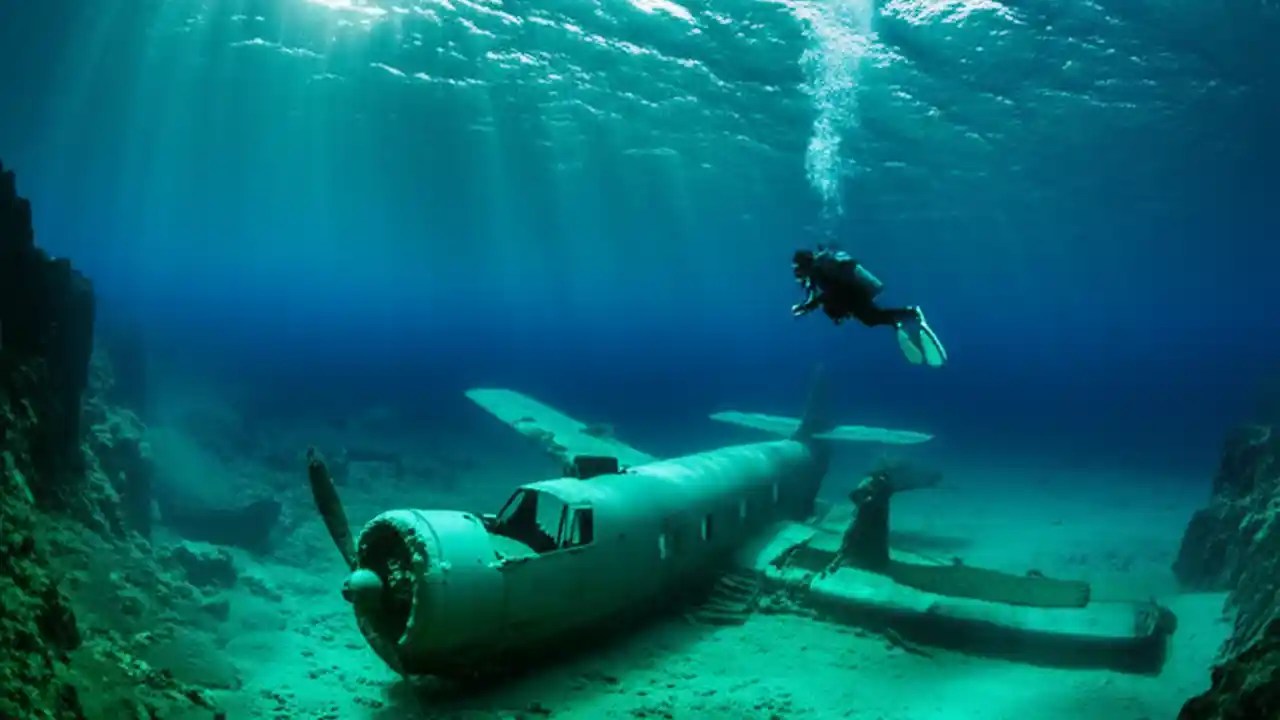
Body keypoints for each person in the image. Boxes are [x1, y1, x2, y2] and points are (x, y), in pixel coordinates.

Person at [791, 245, 947, 367]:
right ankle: (898, 321)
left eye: (797, 268)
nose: (797, 274)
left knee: (871, 318)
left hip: (854, 293)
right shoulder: (816, 272)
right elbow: (818, 295)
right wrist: (806, 306)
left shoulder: (819, 270)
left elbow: (831, 292)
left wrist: (811, 306)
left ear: (805, 264)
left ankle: (912, 314)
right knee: (871, 319)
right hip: (852, 294)